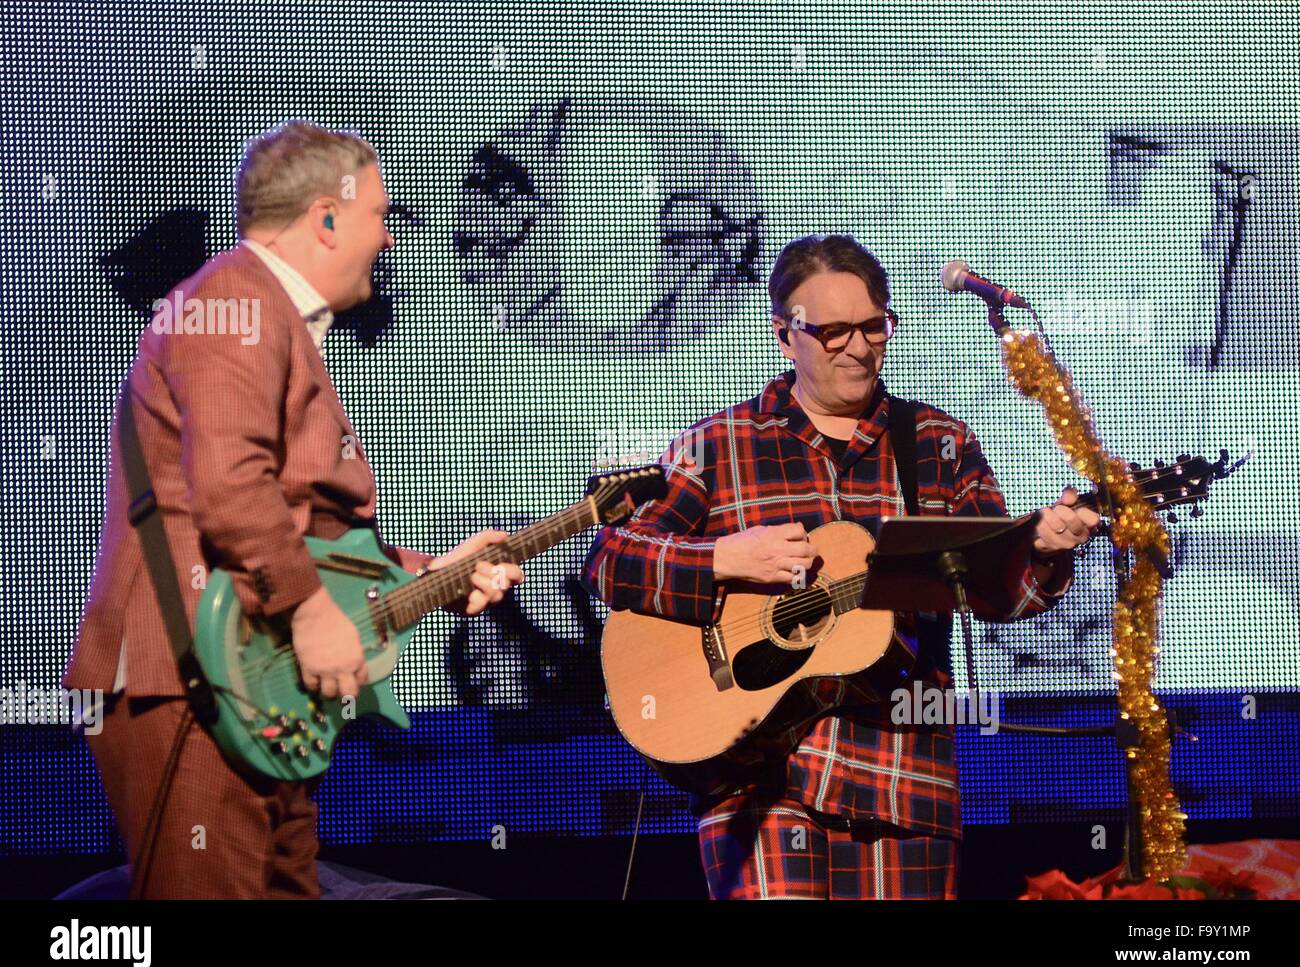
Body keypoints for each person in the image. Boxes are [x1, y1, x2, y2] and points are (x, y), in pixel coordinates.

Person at [63, 121, 524, 898]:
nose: (389, 234)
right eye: (381, 213)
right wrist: (312, 617)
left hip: (252, 689)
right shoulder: (232, 304)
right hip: (194, 684)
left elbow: (301, 531)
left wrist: (432, 573)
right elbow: (231, 482)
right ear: (327, 217)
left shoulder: (263, 316)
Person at [581, 234, 1101, 899]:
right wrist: (721, 558)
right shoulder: (719, 446)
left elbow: (1000, 590)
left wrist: (1047, 546)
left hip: (903, 780)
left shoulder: (939, 444)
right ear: (784, 334)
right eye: (833, 332)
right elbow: (612, 560)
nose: (859, 346)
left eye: (875, 326)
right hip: (761, 779)